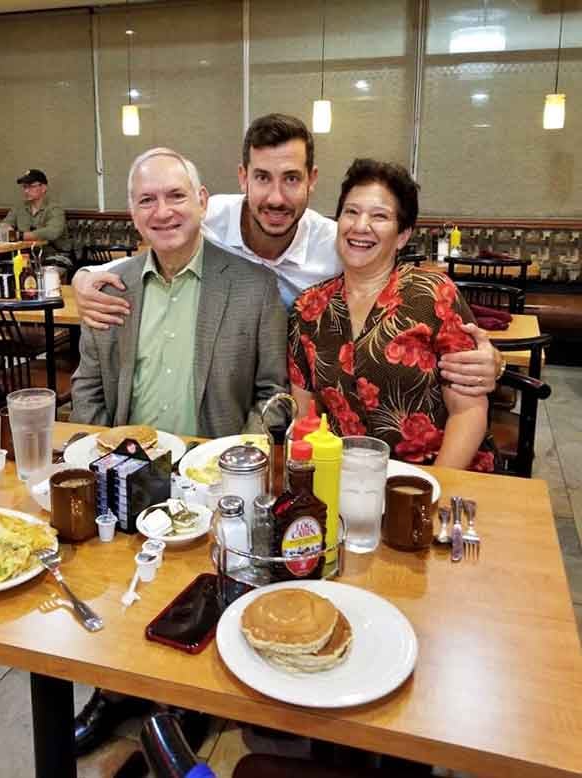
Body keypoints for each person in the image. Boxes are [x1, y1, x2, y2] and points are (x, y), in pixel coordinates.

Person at [70, 146, 287, 754]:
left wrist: (233, 466)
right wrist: (91, 452)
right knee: (118, 588)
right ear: (132, 213)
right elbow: (88, 382)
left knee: (191, 592)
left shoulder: (252, 287)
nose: (162, 211)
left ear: (203, 201)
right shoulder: (110, 287)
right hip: (125, 466)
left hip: (208, 474)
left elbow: (273, 394)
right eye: (147, 200)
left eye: (175, 196)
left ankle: (182, 698)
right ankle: (114, 691)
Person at [71, 113, 501, 395]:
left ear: (312, 180)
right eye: (262, 177)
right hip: (221, 383)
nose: (276, 197)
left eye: (291, 179)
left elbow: (405, 300)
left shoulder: (338, 244)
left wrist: (493, 361)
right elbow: (124, 265)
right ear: (242, 177)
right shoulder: (204, 216)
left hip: (295, 393)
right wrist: (81, 278)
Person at [289, 158, 493, 470]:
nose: (360, 226)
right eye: (351, 212)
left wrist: (432, 487)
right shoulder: (309, 308)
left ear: (402, 235)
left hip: (433, 475)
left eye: (379, 216)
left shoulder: (434, 295)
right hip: (345, 478)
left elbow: (468, 411)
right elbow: (305, 416)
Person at [0, 168, 69, 255]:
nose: (26, 191)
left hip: (54, 255)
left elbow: (51, 233)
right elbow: (6, 223)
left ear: (44, 188)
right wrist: (1, 229)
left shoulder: (55, 208)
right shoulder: (19, 207)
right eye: (25, 187)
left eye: (31, 186)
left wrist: (19, 235)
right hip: (24, 255)